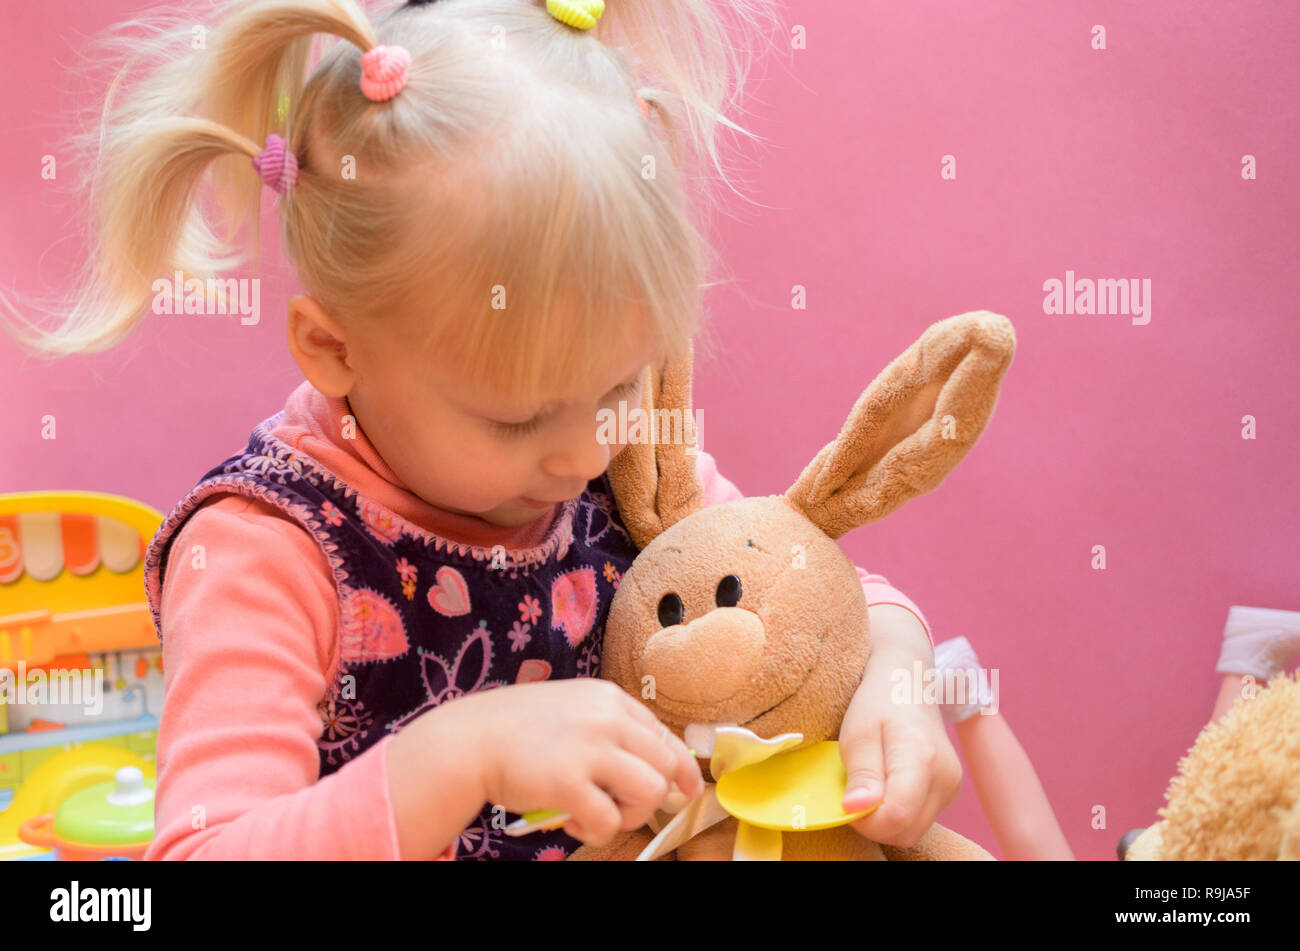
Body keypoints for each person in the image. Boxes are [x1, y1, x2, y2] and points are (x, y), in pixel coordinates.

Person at [4, 0, 961, 860]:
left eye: (619, 383)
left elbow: (795, 584)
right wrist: (454, 760)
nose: (586, 451)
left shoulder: (627, 460)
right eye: (519, 416)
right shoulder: (265, 554)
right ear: (332, 349)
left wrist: (895, 670)